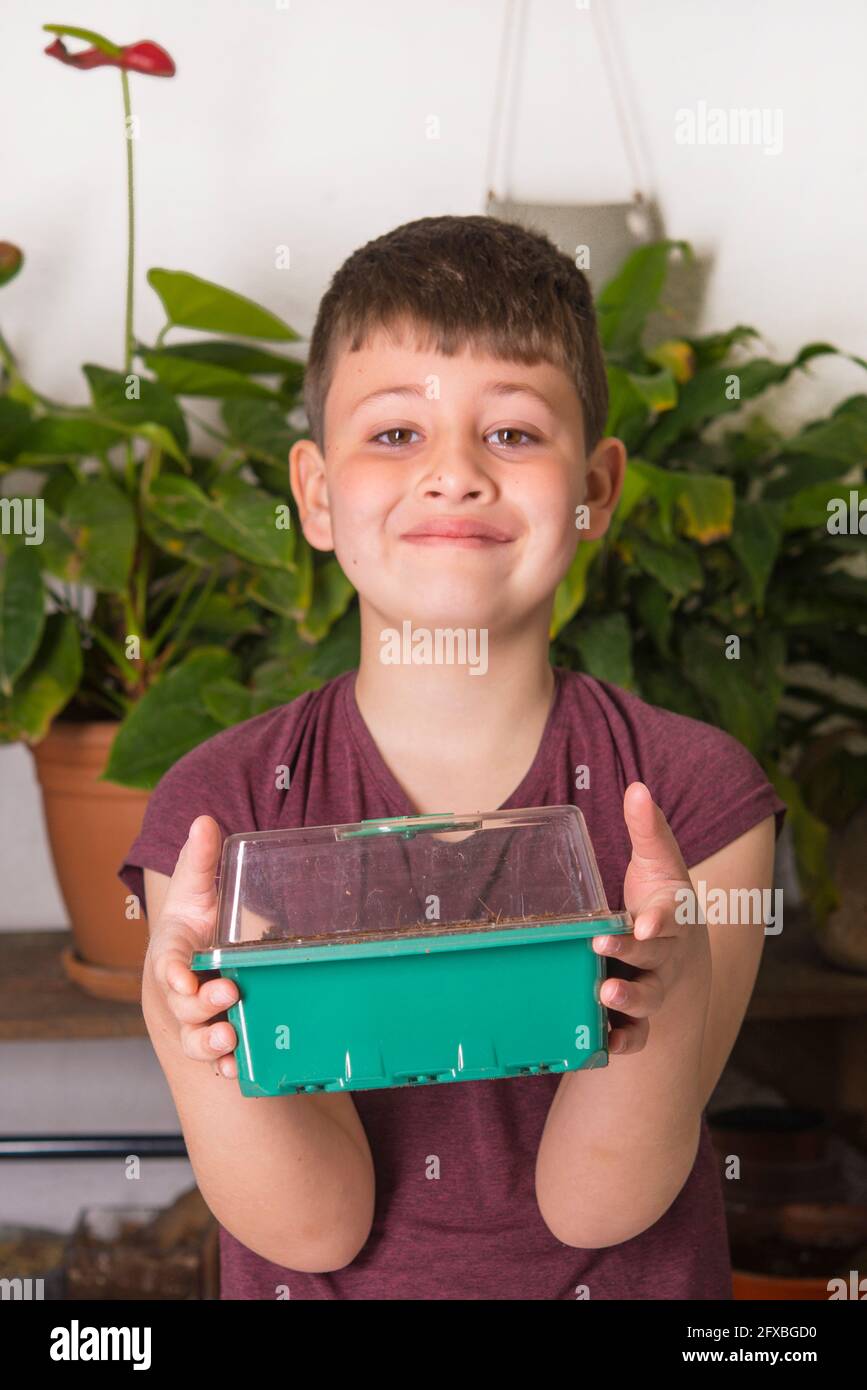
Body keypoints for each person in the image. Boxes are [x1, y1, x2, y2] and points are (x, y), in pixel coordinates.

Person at [119, 214, 786, 1300]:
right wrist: (186, 1029)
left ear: (598, 490)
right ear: (318, 493)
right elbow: (313, 1227)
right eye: (394, 436)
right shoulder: (218, 810)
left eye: (515, 434)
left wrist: (669, 997)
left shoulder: (696, 803)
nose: (454, 474)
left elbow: (599, 1204)